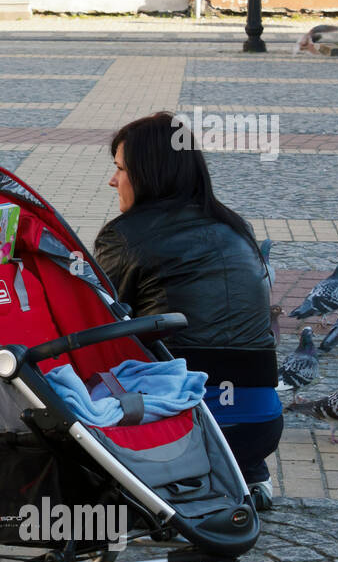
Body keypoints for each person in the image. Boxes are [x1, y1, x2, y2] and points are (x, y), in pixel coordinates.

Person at [92, 112, 281, 510]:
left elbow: (96, 321)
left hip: (189, 426)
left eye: (120, 169)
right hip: (261, 424)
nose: (113, 181)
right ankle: (248, 475)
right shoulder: (234, 225)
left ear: (149, 174)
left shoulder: (126, 236)